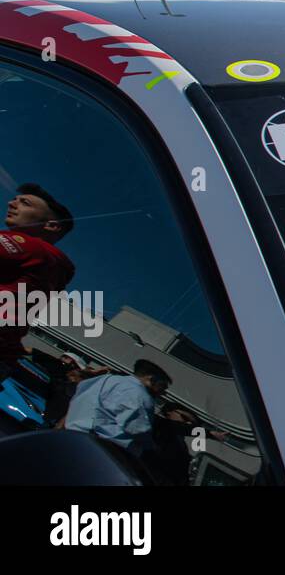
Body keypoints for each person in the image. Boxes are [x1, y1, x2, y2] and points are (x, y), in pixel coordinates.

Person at [1, 183, 76, 378]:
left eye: (24, 203)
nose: (11, 203)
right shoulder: (54, 266)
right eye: (14, 199)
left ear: (51, 225)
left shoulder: (27, 245)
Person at [63, 359, 172, 456]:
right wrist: (151, 447)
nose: (162, 393)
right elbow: (137, 429)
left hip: (71, 435)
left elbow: (80, 395)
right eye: (162, 386)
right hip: (100, 448)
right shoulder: (141, 395)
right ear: (151, 379)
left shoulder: (106, 379)